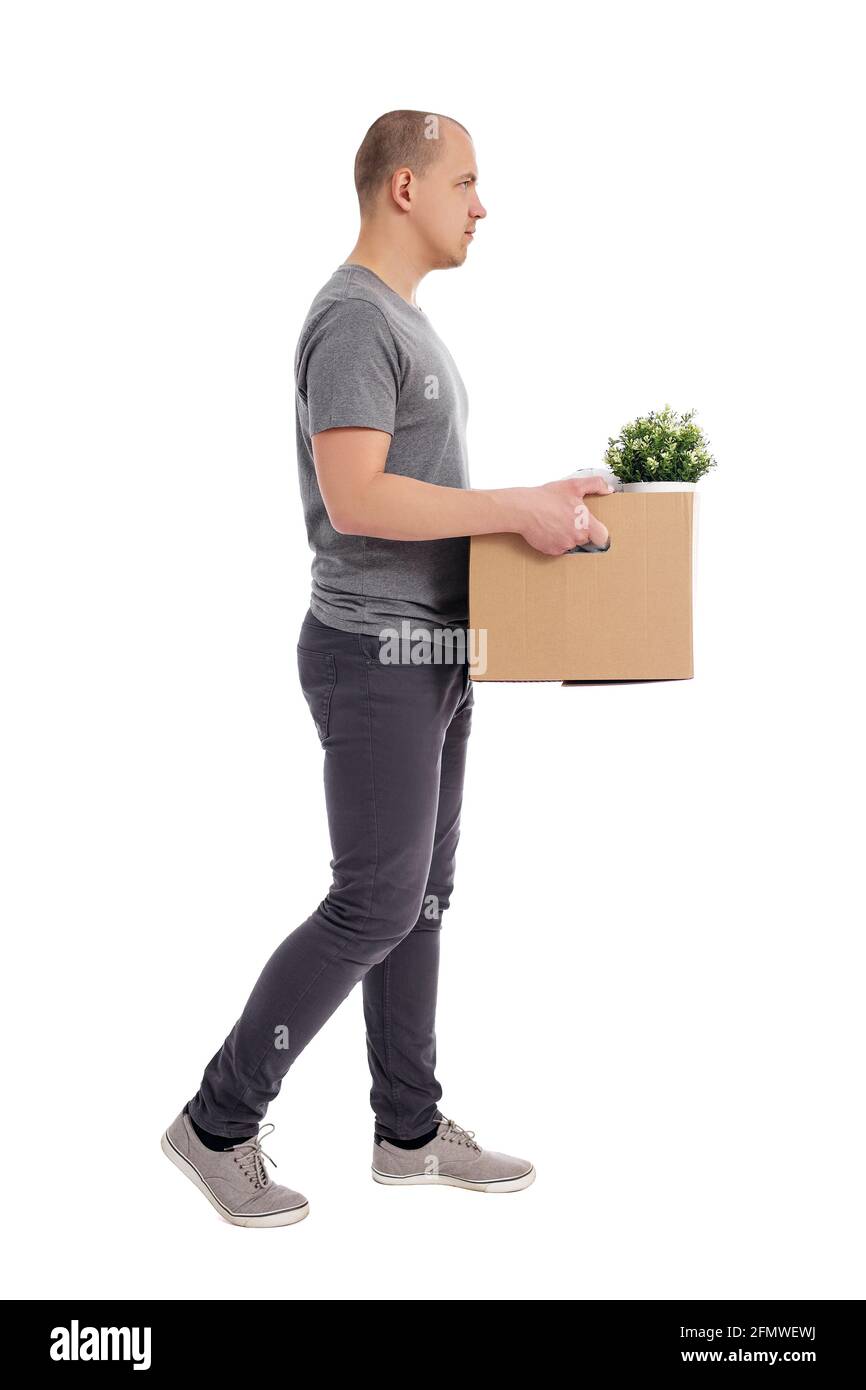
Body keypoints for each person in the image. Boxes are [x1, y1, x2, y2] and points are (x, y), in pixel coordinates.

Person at [161, 109, 612, 1227]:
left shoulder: (399, 321)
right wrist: (512, 507)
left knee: (421, 900)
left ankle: (407, 1130)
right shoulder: (354, 318)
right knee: (372, 902)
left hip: (431, 651)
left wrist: (535, 513)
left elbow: (413, 489)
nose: (481, 203)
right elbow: (357, 496)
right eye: (466, 180)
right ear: (403, 187)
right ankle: (217, 1121)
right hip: (372, 655)